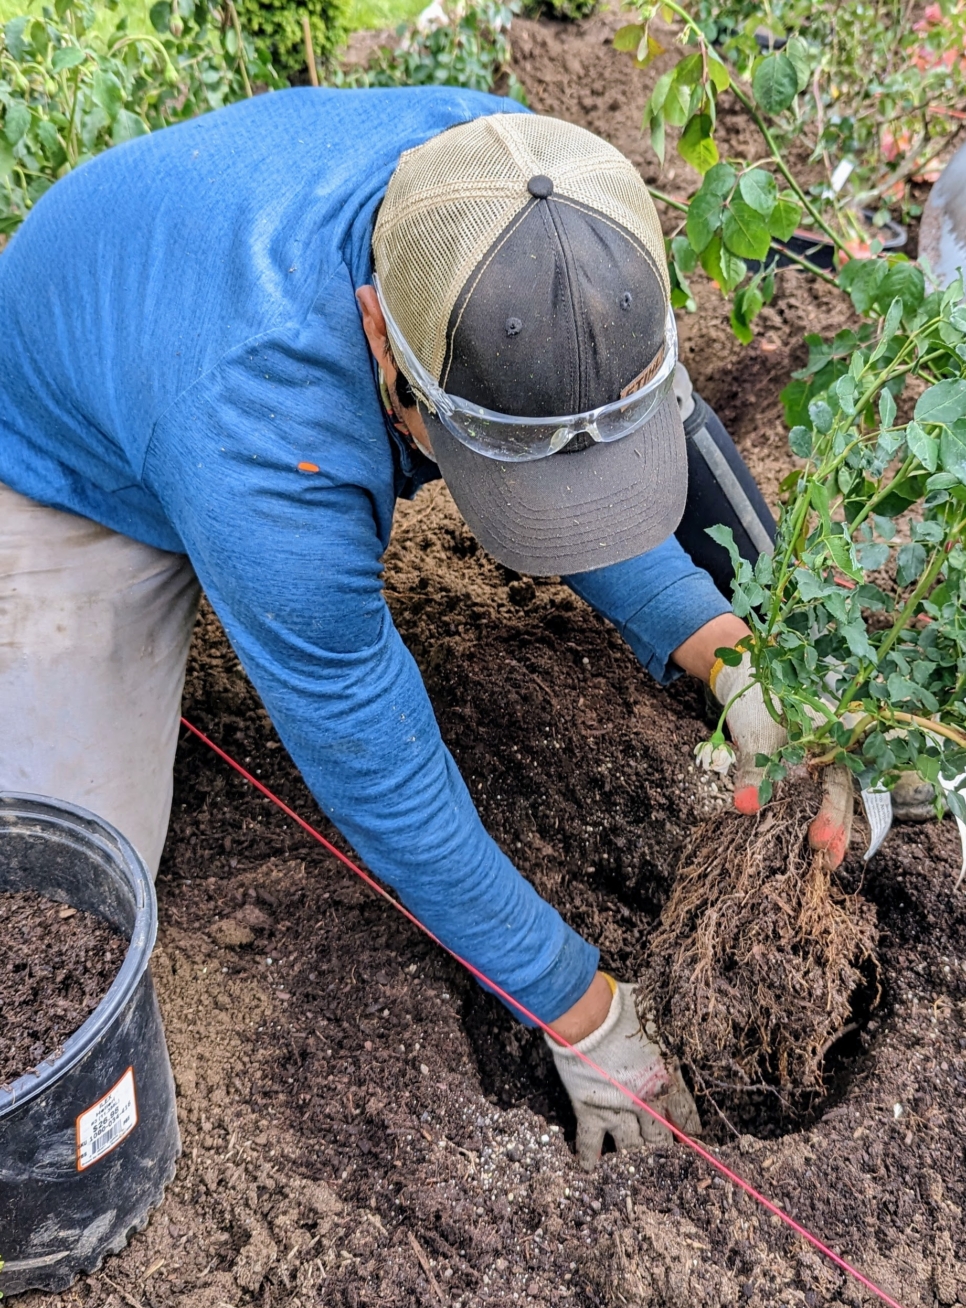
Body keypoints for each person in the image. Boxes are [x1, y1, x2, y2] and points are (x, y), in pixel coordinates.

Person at [0, 87, 858, 1169]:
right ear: (378, 336)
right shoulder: (268, 436)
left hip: (194, 349)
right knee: (68, 893)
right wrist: (579, 1008)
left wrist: (726, 657)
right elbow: (380, 772)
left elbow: (563, 466)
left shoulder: (520, 195)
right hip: (63, 468)